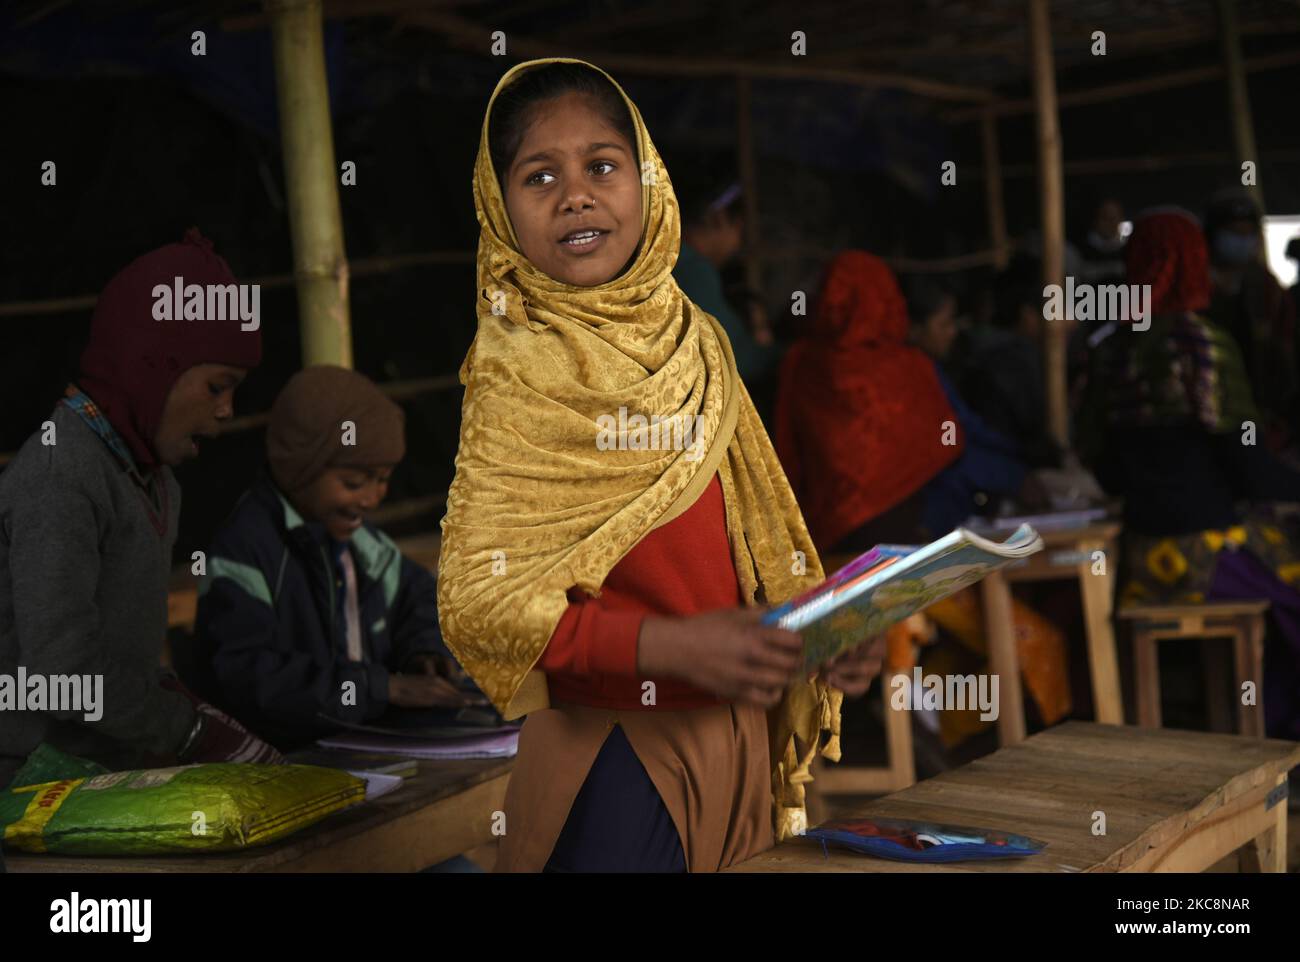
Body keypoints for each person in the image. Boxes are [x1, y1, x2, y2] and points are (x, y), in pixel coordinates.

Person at [438, 59, 884, 873]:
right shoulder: (514, 373)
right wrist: (664, 650)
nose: (575, 194)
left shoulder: (701, 344)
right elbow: (478, 605)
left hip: (738, 744)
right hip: (612, 762)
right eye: (540, 176)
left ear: (649, 183)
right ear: (498, 210)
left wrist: (819, 631)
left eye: (603, 166)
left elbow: (753, 533)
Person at [0, 229, 281, 787]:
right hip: (29, 783)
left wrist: (175, 702)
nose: (228, 411)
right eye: (217, 387)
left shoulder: (155, 482)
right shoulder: (60, 474)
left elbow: (120, 657)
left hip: (105, 767)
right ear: (152, 367)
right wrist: (186, 731)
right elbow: (64, 668)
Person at [1080, 209, 1300, 740]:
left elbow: (1104, 466)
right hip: (1211, 555)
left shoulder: (1111, 351)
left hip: (1144, 561)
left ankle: (1263, 728)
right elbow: (1247, 465)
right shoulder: (1202, 345)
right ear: (1196, 263)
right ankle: (1277, 739)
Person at [194, 365, 485, 751]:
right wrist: (381, 687)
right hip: (276, 764)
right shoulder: (246, 550)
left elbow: (417, 597)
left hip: (360, 747)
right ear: (300, 469)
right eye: (353, 483)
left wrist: (424, 651)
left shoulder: (362, 545)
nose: (372, 498)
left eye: (382, 480)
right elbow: (251, 677)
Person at [774, 250, 963, 552]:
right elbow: (944, 444)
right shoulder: (909, 367)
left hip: (823, 535)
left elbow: (787, 448)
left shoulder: (799, 363)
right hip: (904, 532)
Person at [1204, 189, 1297, 451]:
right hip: (1211, 411)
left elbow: (1285, 350)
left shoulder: (1267, 289)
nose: (1242, 241)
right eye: (1234, 232)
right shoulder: (1195, 290)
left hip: (1262, 411)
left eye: (1248, 233)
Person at [670, 165, 778, 388]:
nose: (737, 245)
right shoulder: (692, 270)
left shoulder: (666, 255)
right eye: (738, 231)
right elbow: (737, 359)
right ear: (718, 218)